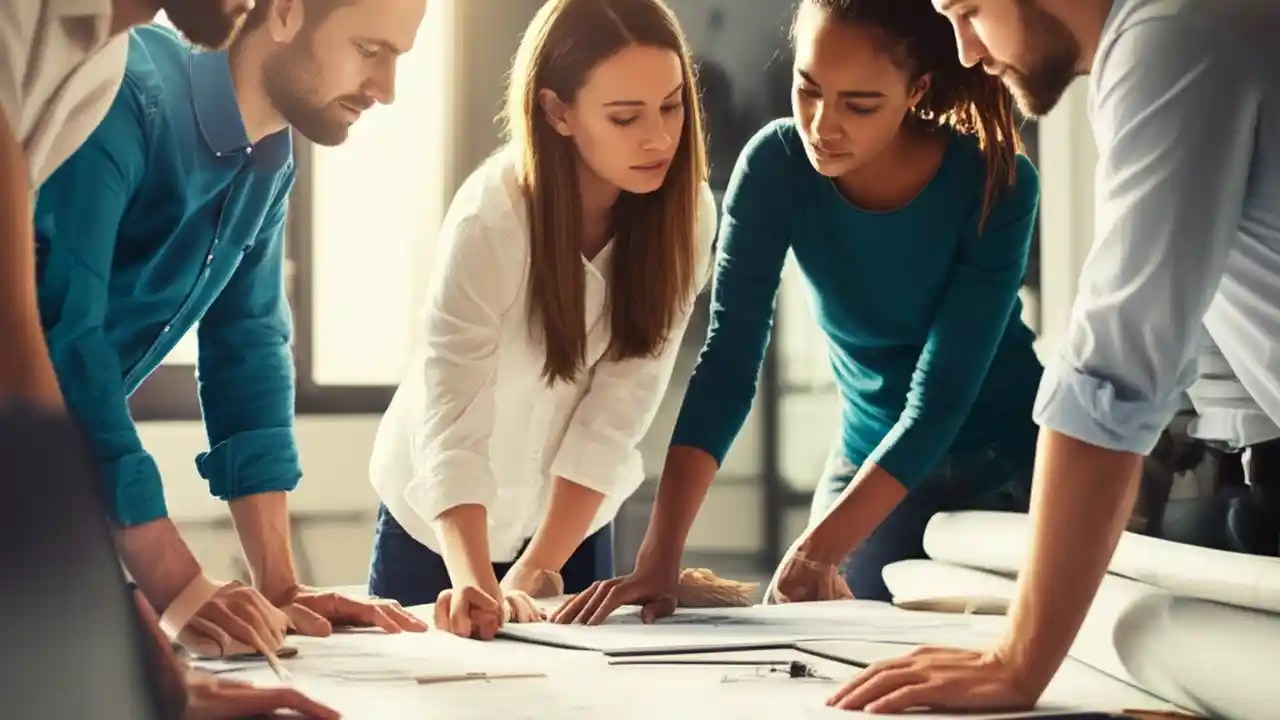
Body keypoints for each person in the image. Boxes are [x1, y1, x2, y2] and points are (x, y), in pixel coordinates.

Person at [824, 0, 1280, 713]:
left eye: (969, 10)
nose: (966, 50)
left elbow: (1115, 369)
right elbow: (1200, 329)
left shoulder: (1175, 35)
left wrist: (1017, 659)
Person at [555, 0, 1041, 623]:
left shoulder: (999, 183)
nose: (821, 125)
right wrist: (660, 556)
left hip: (1008, 462)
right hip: (869, 455)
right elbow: (728, 364)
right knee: (816, 637)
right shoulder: (776, 167)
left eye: (859, 106)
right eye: (808, 90)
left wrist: (818, 548)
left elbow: (940, 397)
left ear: (916, 90)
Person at [33, 0, 430, 665]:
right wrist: (176, 581)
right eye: (369, 50)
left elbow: (248, 347)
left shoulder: (271, 158)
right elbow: (66, 340)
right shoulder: (124, 94)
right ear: (284, 12)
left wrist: (280, 585)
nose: (387, 90)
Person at [366, 0, 716, 640]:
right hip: (439, 526)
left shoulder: (687, 217)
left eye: (671, 107)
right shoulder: (491, 219)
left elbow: (619, 410)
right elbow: (453, 413)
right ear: (557, 112)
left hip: (572, 524)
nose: (660, 139)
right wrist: (475, 582)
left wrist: (539, 567)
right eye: (625, 117)